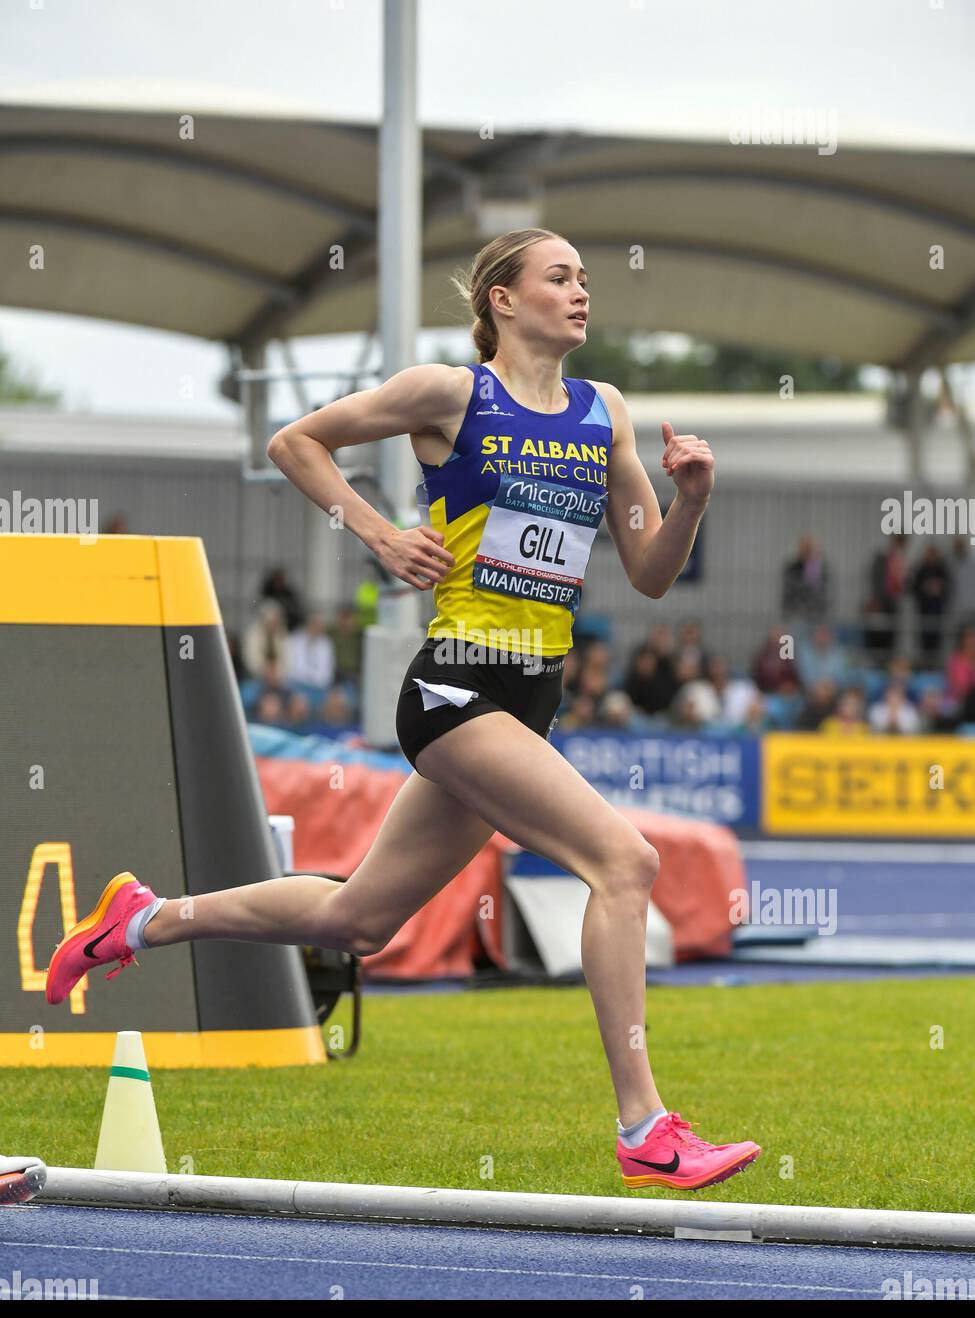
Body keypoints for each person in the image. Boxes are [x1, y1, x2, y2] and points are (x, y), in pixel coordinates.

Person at [45, 228, 760, 1193]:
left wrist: (692, 502)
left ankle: (141, 920)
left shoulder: (607, 413)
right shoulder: (449, 394)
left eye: (586, 279)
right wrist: (381, 536)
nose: (582, 292)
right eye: (560, 277)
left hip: (529, 699)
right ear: (503, 301)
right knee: (624, 862)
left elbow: (651, 573)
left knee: (357, 920)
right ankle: (643, 1125)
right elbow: (294, 441)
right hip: (456, 686)